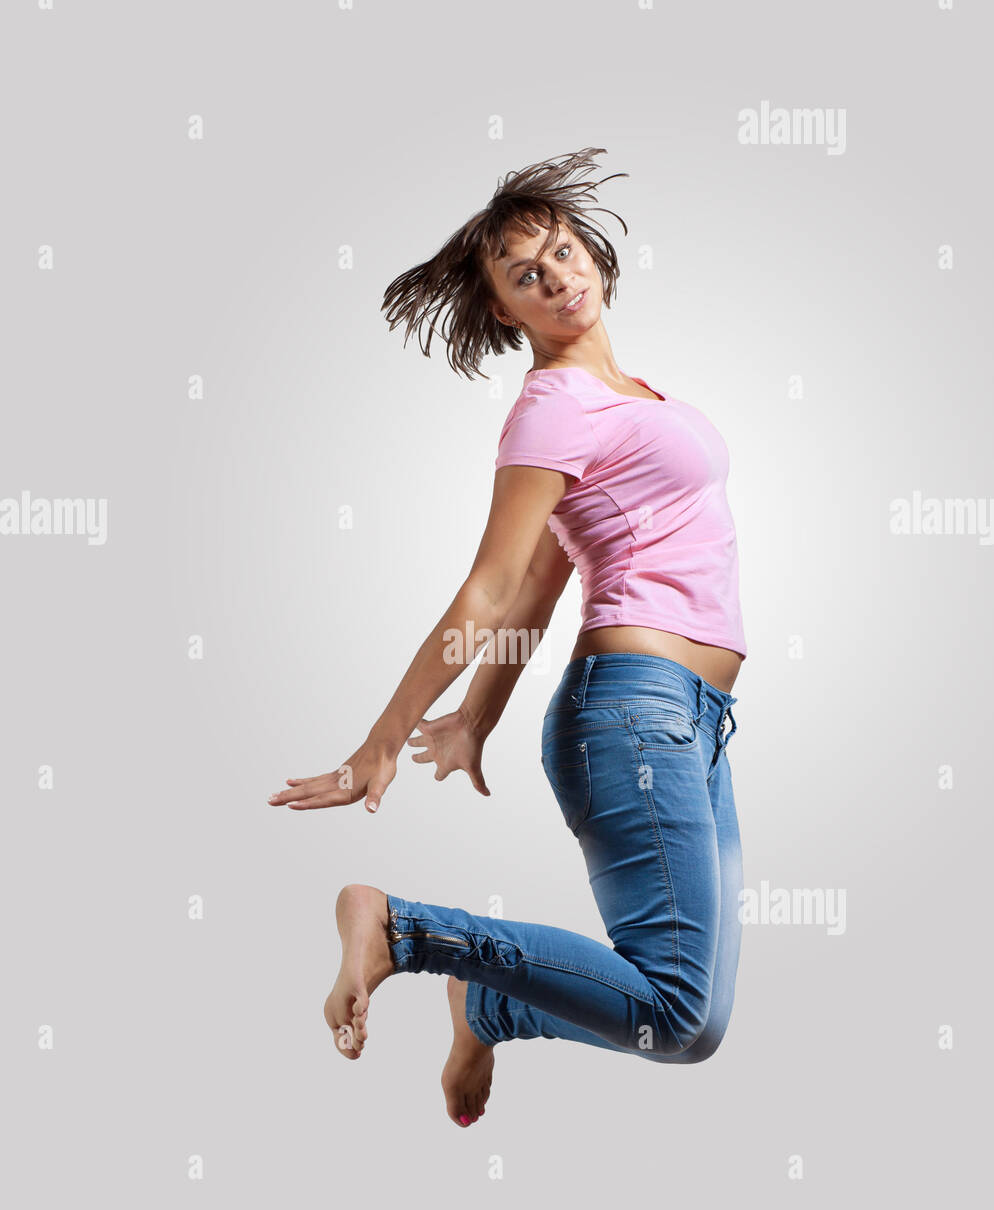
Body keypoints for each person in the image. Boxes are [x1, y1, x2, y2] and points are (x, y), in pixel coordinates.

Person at [267, 148, 747, 1130]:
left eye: (563, 252)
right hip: (634, 717)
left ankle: (486, 1002)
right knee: (681, 1015)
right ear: (504, 312)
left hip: (696, 724)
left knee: (687, 1016)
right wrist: (380, 742)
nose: (557, 277)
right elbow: (489, 585)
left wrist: (474, 717)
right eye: (526, 276)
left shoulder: (627, 397)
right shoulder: (553, 406)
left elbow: (542, 582)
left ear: (596, 256)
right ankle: (403, 930)